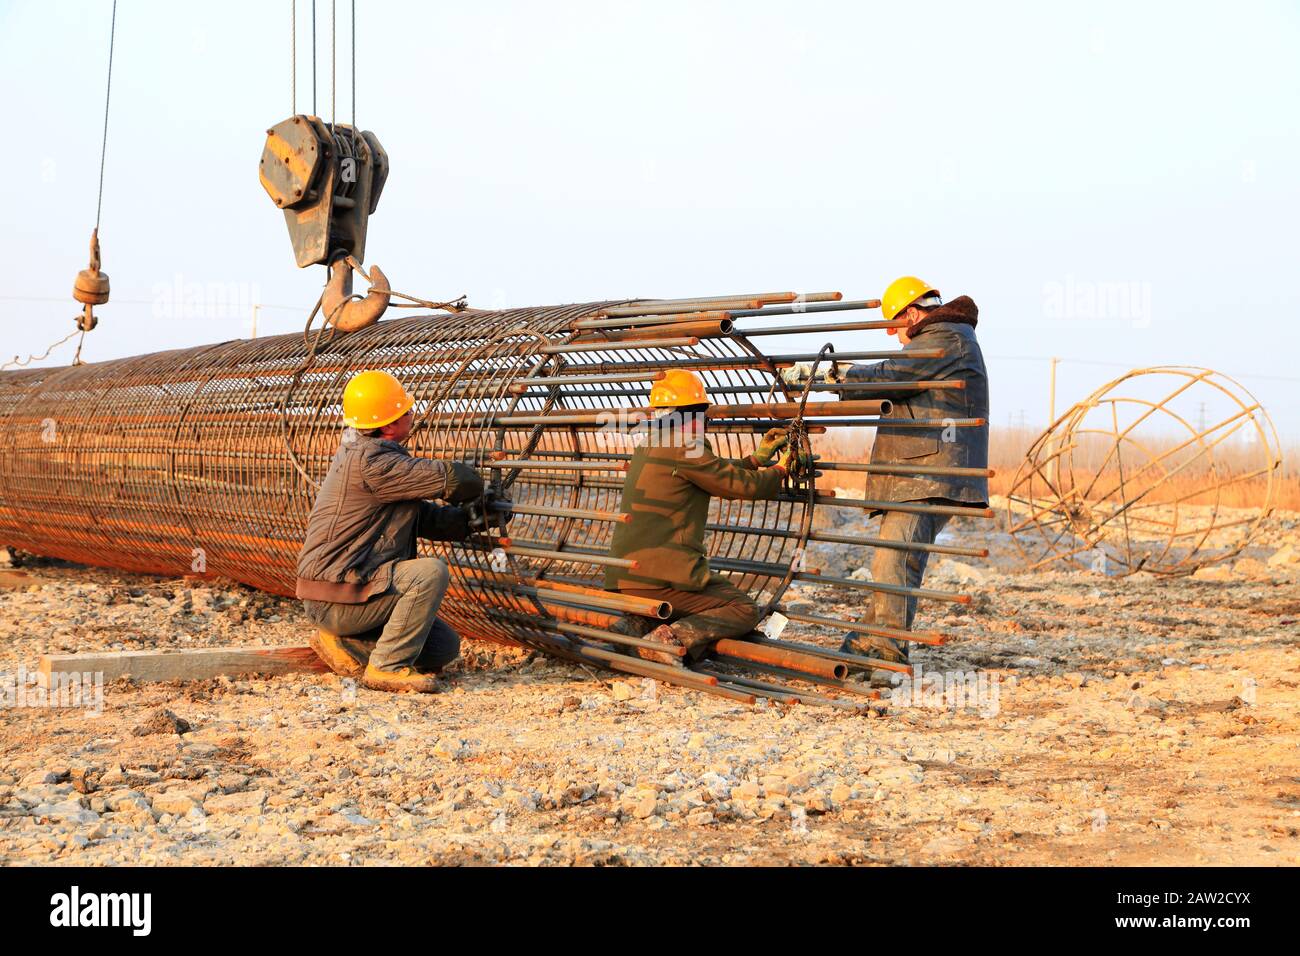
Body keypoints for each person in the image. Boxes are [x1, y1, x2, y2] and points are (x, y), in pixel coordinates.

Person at [783, 276, 989, 679]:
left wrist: (832, 375)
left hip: (929, 474)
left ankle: (889, 660)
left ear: (913, 312)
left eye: (895, 326)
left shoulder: (945, 338)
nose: (896, 336)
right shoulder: (944, 338)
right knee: (893, 563)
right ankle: (863, 644)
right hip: (919, 473)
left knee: (895, 562)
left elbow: (893, 373)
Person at [295, 369, 494, 693]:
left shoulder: (369, 456)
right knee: (428, 572)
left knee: (442, 648)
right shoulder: (374, 462)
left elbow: (421, 517)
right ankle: (385, 668)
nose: (412, 414)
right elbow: (456, 479)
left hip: (348, 590)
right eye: (405, 411)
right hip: (336, 596)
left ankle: (344, 642)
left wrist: (467, 521)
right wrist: (479, 488)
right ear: (388, 425)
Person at [604, 369, 796, 665]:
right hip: (661, 578)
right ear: (692, 415)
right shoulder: (687, 446)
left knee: (713, 601)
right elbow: (739, 485)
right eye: (704, 416)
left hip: (627, 576)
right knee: (742, 608)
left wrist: (755, 460)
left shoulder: (654, 443)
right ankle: (671, 640)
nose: (705, 424)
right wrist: (781, 470)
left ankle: (638, 625)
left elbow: (712, 471)